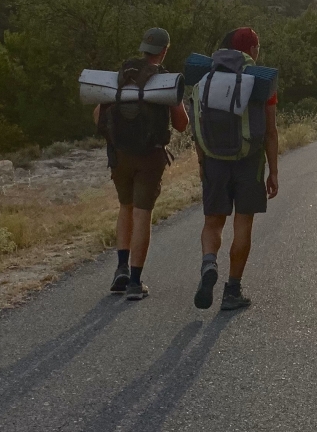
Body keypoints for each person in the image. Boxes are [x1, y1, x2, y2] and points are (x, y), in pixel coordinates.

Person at [97, 27, 189, 301]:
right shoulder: (165, 80)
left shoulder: (122, 75)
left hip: (119, 155)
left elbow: (98, 116)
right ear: (164, 50)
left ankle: (121, 270)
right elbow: (181, 124)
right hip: (150, 156)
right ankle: (135, 283)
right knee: (142, 214)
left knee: (125, 208)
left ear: (143, 48)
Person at [192, 26, 278, 312]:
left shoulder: (206, 76)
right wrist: (274, 171)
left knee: (213, 221)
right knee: (243, 224)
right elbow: (270, 131)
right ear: (252, 50)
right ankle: (232, 290)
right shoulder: (261, 81)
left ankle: (209, 263)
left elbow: (197, 125)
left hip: (213, 159)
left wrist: (202, 161)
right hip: (249, 161)